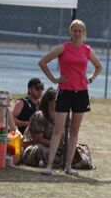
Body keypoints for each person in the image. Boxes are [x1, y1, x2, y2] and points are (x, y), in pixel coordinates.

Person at [38, 19, 102, 177]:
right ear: (70, 32)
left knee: (74, 130)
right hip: (64, 92)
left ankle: (68, 166)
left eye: (80, 31)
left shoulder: (87, 50)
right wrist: (54, 79)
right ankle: (49, 165)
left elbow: (99, 67)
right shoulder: (63, 47)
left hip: (81, 93)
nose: (77, 33)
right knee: (58, 130)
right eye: (75, 30)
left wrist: (90, 79)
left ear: (84, 33)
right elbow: (43, 62)